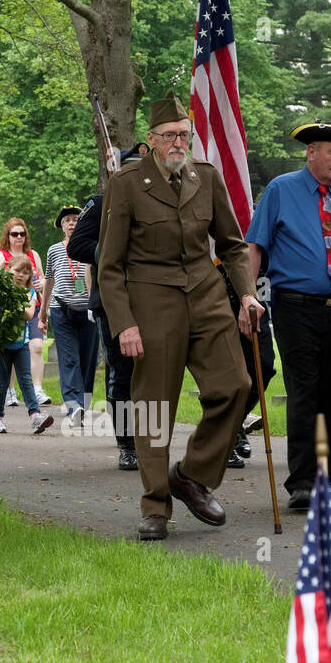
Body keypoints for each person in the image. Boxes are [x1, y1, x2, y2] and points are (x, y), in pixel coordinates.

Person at [98, 90, 264, 541]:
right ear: (151, 140)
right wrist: (124, 323)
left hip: (207, 295)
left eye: (184, 135)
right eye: (169, 135)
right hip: (152, 300)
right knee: (153, 406)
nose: (178, 142)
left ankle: (191, 474)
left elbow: (231, 245)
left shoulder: (205, 177)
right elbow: (109, 266)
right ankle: (155, 506)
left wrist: (247, 294)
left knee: (236, 385)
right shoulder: (126, 184)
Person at [245, 120, 331, 509]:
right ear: (312, 152)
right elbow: (255, 247)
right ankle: (301, 483)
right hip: (296, 307)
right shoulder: (281, 190)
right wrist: (246, 298)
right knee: (306, 390)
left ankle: (324, 479)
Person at [68, 145, 147, 472]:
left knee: (153, 372)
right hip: (113, 300)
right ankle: (127, 443)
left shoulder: (161, 204)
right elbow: (77, 245)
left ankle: (151, 438)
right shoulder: (102, 204)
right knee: (123, 371)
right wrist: (110, 250)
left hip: (154, 300)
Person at [41, 206, 97, 427]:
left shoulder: (90, 246)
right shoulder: (54, 250)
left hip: (89, 311)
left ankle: (83, 404)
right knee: (69, 359)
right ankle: (74, 406)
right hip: (61, 310)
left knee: (88, 360)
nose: (72, 223)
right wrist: (43, 312)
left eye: (75, 220)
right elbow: (48, 280)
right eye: (67, 221)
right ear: (61, 226)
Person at [0, 257, 54, 436]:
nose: (21, 275)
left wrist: (14, 302)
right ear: (8, 269)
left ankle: (35, 415)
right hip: (2, 343)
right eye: (17, 271)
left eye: (26, 273)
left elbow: (28, 314)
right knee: (3, 381)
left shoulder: (30, 294)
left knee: (25, 379)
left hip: (21, 343)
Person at [0, 218, 48, 407]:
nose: (18, 237)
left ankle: (38, 389)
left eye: (22, 234)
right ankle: (9, 389)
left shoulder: (33, 254)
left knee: (37, 346)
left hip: (33, 305)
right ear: (7, 236)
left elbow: (42, 277)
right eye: (14, 234)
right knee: (13, 348)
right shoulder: (1, 256)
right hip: (10, 310)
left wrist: (41, 284)